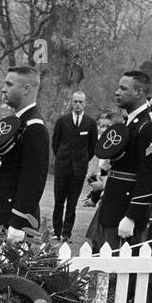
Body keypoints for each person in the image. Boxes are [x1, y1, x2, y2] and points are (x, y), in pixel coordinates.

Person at [0, 64, 49, 241]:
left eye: (9, 84)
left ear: (26, 89)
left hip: (14, 222)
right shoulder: (17, 122)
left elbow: (33, 181)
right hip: (1, 213)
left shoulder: (34, 128)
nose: (3, 89)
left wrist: (18, 223)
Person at [97, 70, 152, 248]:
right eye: (118, 88)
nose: (117, 92)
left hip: (125, 210)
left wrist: (132, 216)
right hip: (112, 206)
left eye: (123, 88)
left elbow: (150, 177)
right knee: (103, 266)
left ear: (139, 92)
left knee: (117, 270)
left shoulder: (147, 126)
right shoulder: (130, 122)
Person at [50, 90, 96, 241]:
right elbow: (55, 143)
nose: (77, 105)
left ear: (85, 104)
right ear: (72, 102)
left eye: (80, 102)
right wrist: (63, 158)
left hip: (78, 170)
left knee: (72, 204)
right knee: (58, 202)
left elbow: (92, 147)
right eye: (75, 101)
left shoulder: (90, 123)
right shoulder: (62, 121)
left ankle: (66, 233)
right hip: (62, 167)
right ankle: (56, 231)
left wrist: (81, 161)